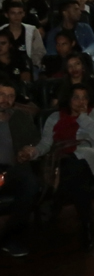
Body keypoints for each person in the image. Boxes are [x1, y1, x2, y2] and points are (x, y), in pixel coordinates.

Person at [36, 83, 94, 250]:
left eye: (84, 97)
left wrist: (84, 117)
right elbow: (45, 144)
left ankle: (53, 209)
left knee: (74, 166)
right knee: (76, 172)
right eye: (76, 97)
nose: (80, 101)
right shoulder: (55, 118)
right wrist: (32, 152)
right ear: (68, 99)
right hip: (67, 161)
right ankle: (87, 226)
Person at [0, 79, 39, 257]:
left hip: (12, 169)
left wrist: (28, 151)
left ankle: (8, 236)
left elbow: (35, 142)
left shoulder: (20, 118)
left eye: (10, 96)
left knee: (30, 182)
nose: (5, 100)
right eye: (1, 95)